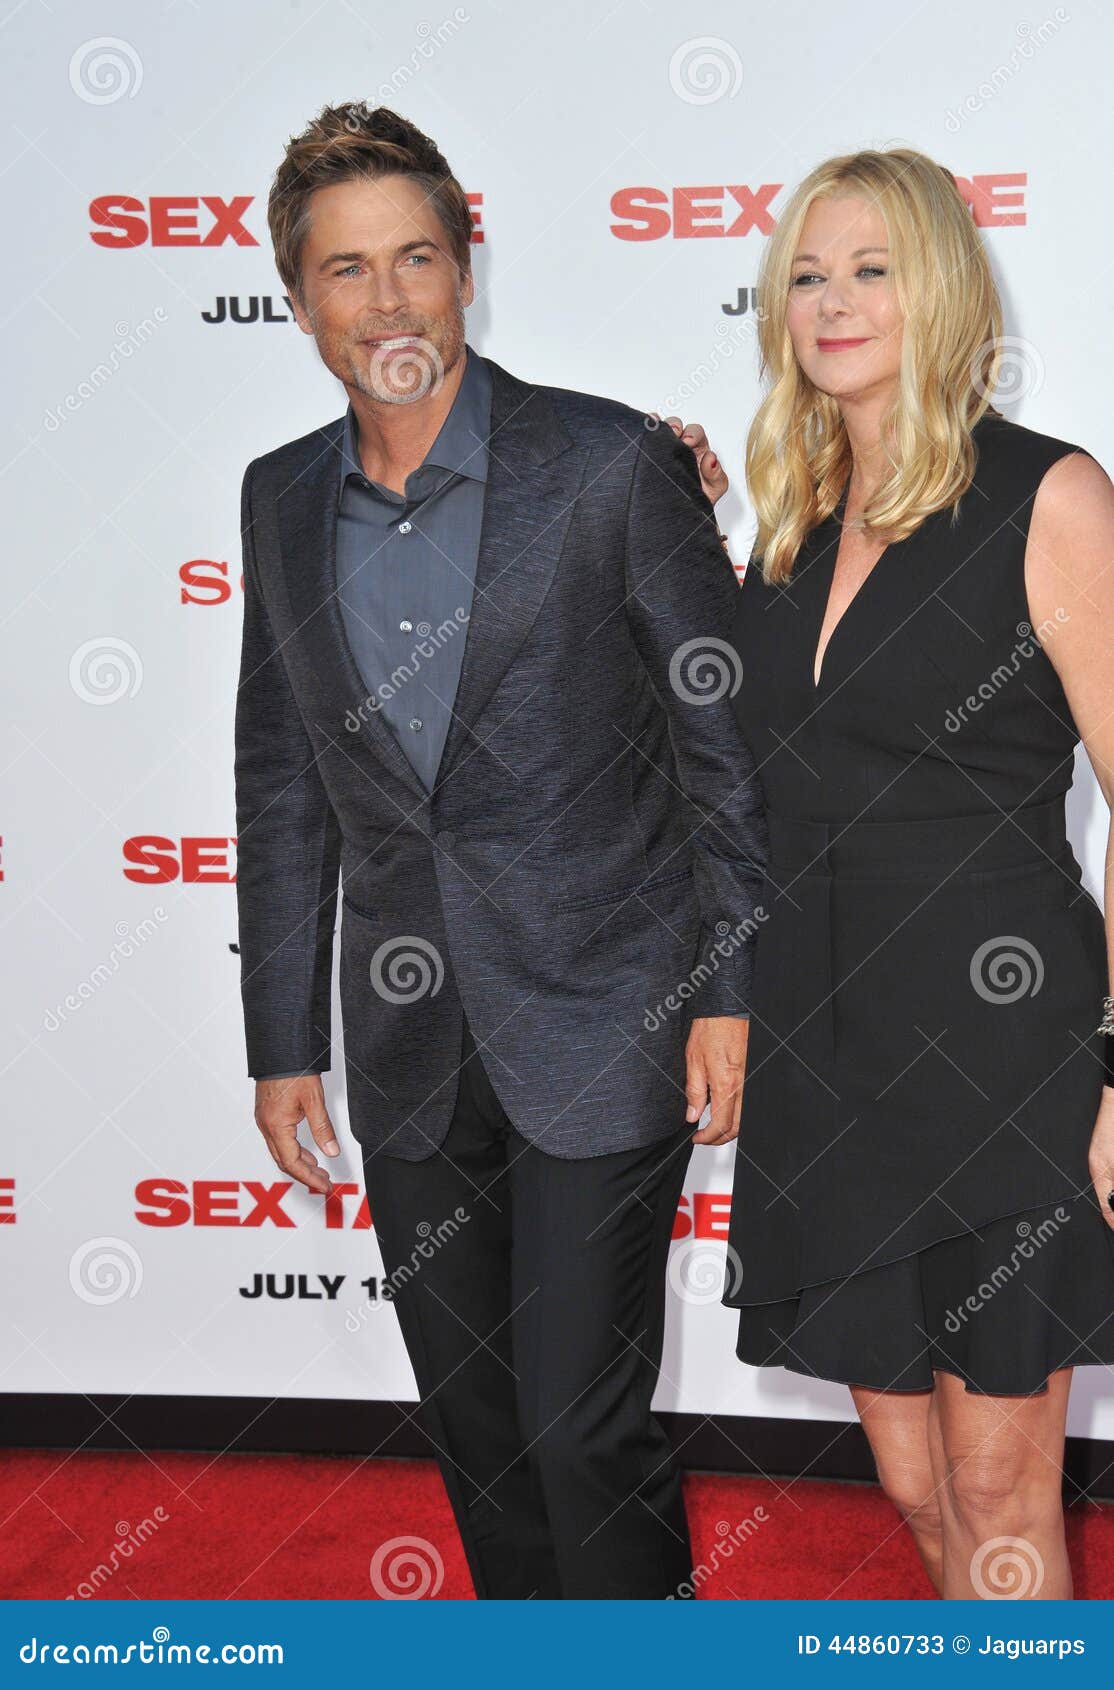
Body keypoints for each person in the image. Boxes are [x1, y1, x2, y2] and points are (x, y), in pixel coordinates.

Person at [233, 102, 767, 1600]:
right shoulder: (279, 496)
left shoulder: (606, 465)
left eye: (414, 257)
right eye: (346, 270)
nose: (385, 298)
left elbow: (718, 749)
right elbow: (279, 776)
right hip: (405, 1027)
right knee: (472, 1418)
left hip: (609, 1001)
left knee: (576, 1418)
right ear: (299, 303)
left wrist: (728, 988)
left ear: (465, 271)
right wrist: (283, 1037)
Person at [693, 145, 1114, 1601]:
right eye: (806, 272)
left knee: (1002, 1493)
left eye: (869, 267)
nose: (831, 299)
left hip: (1003, 1057)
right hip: (825, 1058)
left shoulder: (1046, 495)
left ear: (936, 284)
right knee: (916, 1488)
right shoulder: (786, 522)